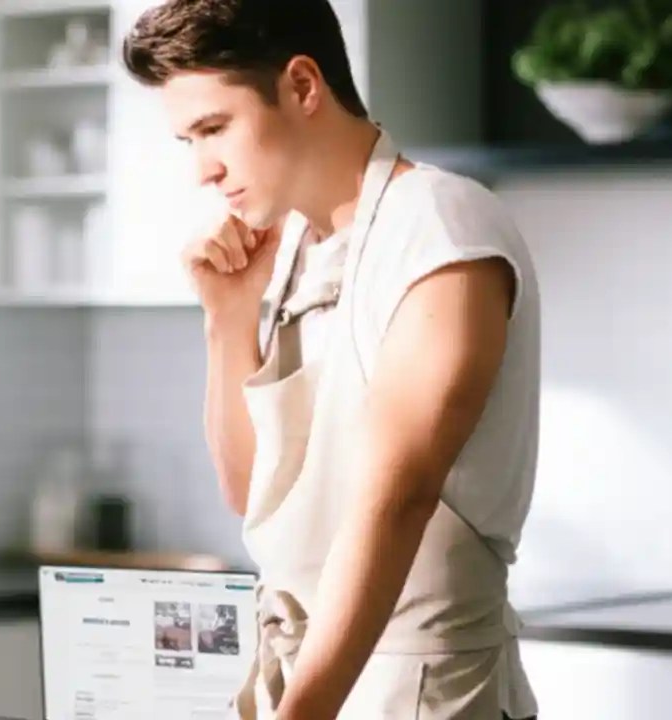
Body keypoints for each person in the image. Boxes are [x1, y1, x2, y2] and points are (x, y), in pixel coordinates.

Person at [122, 1, 540, 719]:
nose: (202, 170)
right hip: (316, 685)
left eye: (214, 128)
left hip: (422, 694)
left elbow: (396, 502)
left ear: (304, 85)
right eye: (186, 140)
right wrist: (227, 320)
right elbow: (258, 493)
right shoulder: (292, 250)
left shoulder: (440, 226)